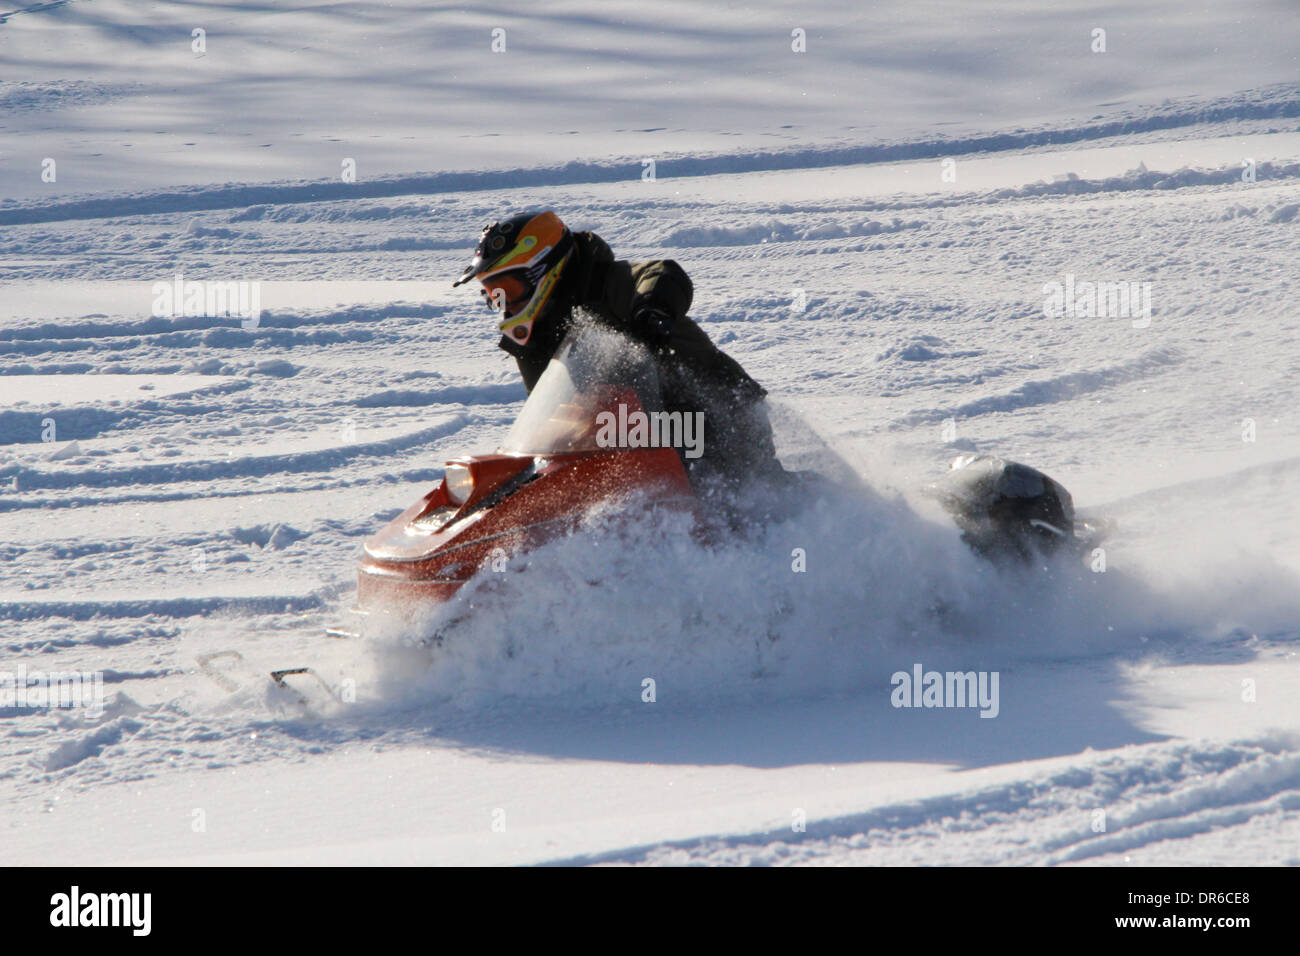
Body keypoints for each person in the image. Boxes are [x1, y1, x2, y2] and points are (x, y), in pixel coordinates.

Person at [453, 209, 782, 491]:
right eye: (493, 294)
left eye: (508, 288)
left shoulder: (611, 283)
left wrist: (653, 311)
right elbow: (553, 417)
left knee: (711, 493)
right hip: (636, 431)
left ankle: (749, 538)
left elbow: (661, 273)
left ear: (543, 269)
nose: (502, 302)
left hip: (716, 411)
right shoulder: (534, 339)